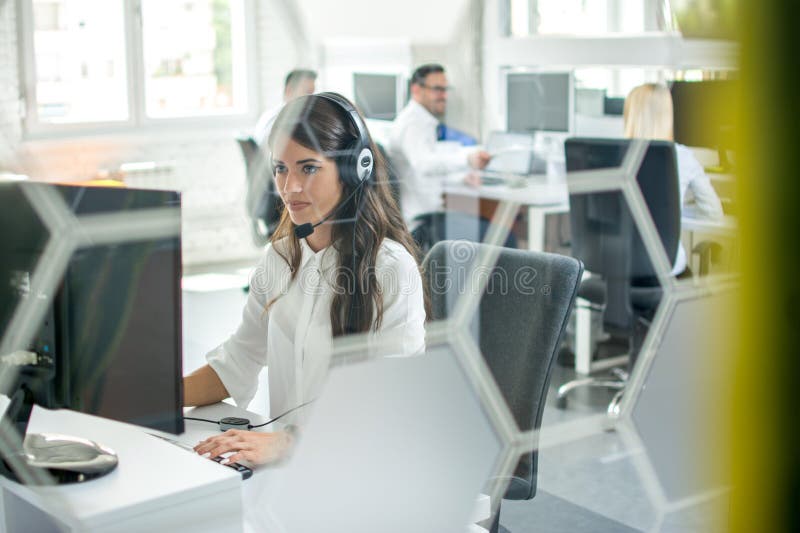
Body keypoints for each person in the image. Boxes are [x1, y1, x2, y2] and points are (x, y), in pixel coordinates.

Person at [186, 93, 427, 465]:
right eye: (281, 168)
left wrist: (286, 443)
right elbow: (239, 359)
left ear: (354, 170)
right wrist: (155, 398)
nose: (289, 187)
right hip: (292, 467)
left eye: (308, 168)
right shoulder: (280, 258)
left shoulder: (392, 269)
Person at [623, 83, 724, 276]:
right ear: (667, 116)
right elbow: (713, 212)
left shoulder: (612, 155)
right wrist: (672, 212)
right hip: (666, 273)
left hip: (618, 273)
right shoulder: (682, 156)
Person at [388, 64, 491, 224]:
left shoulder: (422, 121)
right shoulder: (412, 124)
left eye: (445, 89)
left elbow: (422, 174)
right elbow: (424, 165)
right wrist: (467, 160)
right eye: (437, 89)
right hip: (421, 220)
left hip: (428, 213)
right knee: (505, 237)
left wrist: (461, 178)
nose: (444, 96)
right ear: (416, 90)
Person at [253, 69, 317, 146]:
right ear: (289, 90)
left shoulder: (269, 114)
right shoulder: (284, 121)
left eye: (313, 93)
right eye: (307, 92)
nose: (312, 98)